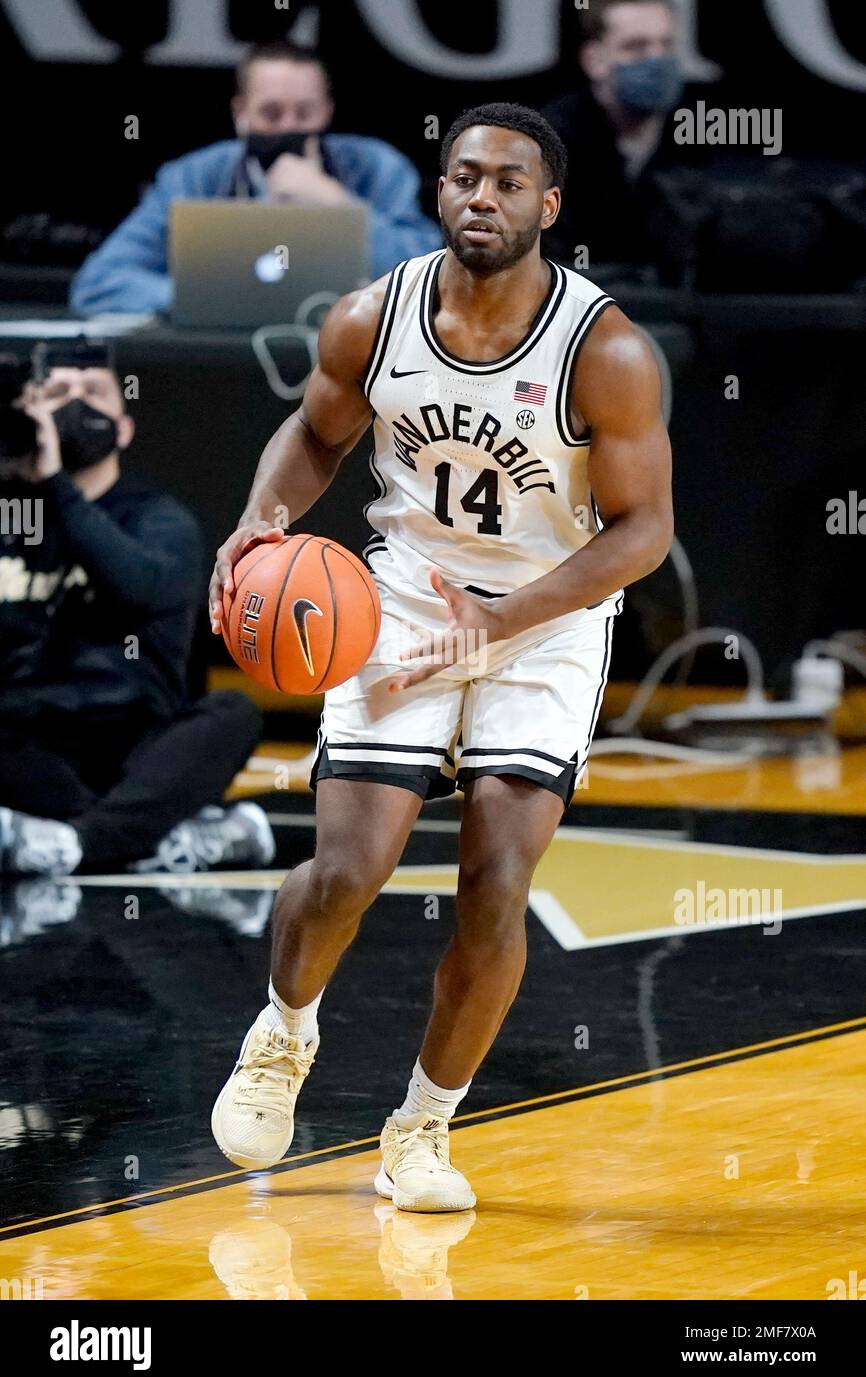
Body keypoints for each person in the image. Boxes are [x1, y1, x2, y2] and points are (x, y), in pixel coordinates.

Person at [208, 102, 673, 1210]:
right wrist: (257, 518)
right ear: (437, 190)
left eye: (509, 183)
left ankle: (418, 1128)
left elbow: (641, 531)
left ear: (547, 205)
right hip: (406, 602)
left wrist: (503, 622)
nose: (482, 197)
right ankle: (282, 1031)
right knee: (346, 875)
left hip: (545, 622)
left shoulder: (604, 352)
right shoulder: (373, 316)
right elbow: (317, 434)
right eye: (464, 177)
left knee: (495, 886)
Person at [0, 338, 273, 877]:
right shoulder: (11, 513)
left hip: (139, 747)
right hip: (35, 746)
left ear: (123, 428)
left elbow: (140, 589)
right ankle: (164, 833)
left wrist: (55, 485)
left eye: (93, 393)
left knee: (232, 714)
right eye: (59, 393)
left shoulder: (158, 518)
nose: (76, 405)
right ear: (34, 415)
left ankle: (73, 844)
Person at [69, 40, 441, 318]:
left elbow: (430, 282)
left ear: (327, 111)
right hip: (220, 361)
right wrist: (203, 298)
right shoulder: (195, 177)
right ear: (241, 113)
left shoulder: (377, 167)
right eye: (271, 113)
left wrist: (336, 201)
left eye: (304, 113)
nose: (288, 127)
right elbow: (98, 284)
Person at [542, 0, 685, 269]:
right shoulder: (550, 142)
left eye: (666, 45)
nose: (656, 59)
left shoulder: (699, 137)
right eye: (635, 47)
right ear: (594, 60)